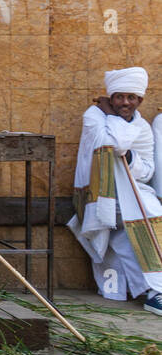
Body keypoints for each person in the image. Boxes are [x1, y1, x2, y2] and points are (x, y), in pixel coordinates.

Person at [69, 68, 162, 315]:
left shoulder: (142, 126)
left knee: (144, 223)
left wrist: (131, 158)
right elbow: (111, 145)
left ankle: (154, 291)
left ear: (140, 100)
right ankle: (153, 291)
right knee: (132, 226)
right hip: (98, 193)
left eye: (131, 98)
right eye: (119, 97)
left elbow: (148, 170)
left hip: (133, 191)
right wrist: (111, 117)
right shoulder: (94, 115)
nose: (125, 103)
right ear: (111, 98)